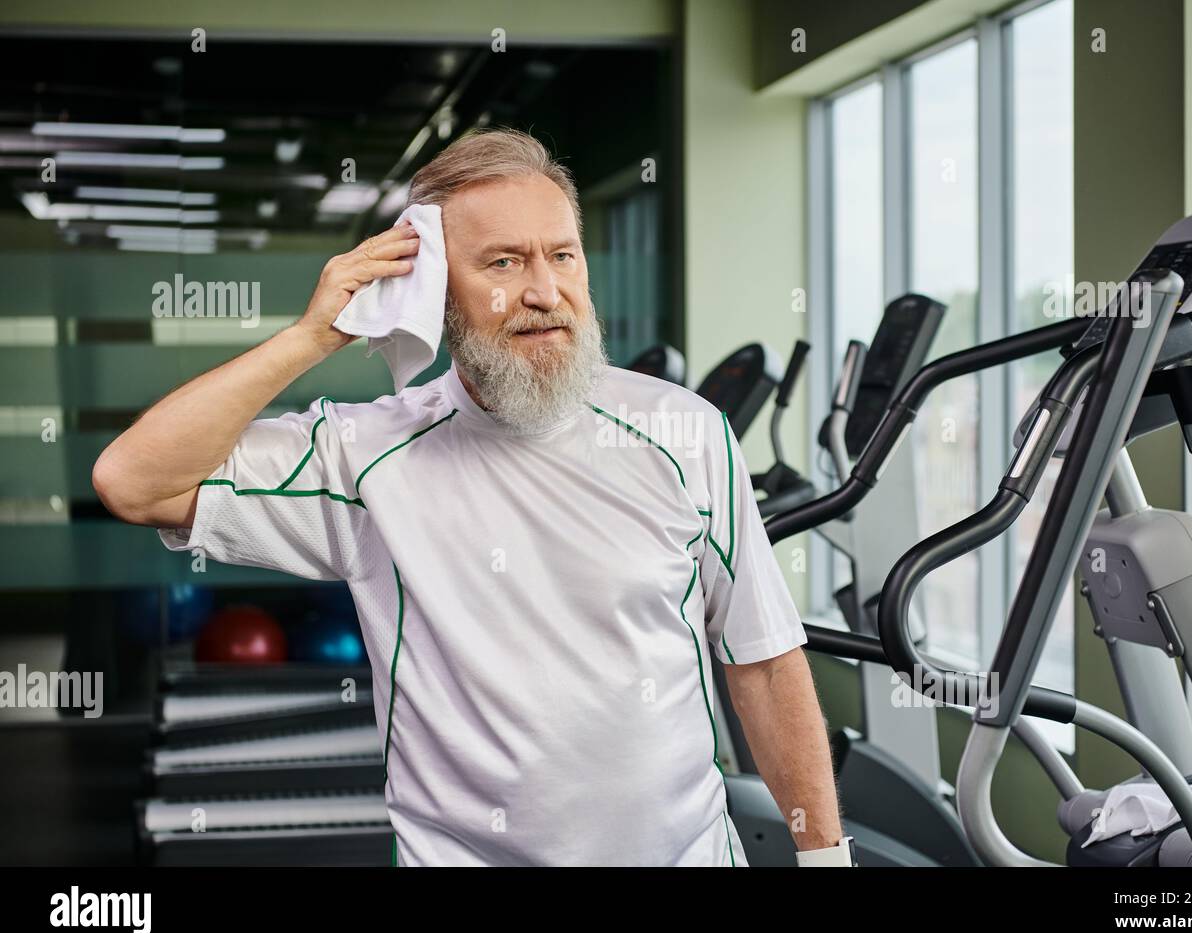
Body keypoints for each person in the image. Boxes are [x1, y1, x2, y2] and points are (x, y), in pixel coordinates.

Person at [93, 128, 844, 866]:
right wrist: (310, 339)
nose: (544, 291)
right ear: (432, 290)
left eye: (561, 256)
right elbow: (133, 482)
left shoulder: (686, 434)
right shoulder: (363, 457)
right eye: (504, 262)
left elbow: (766, 664)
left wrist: (824, 861)